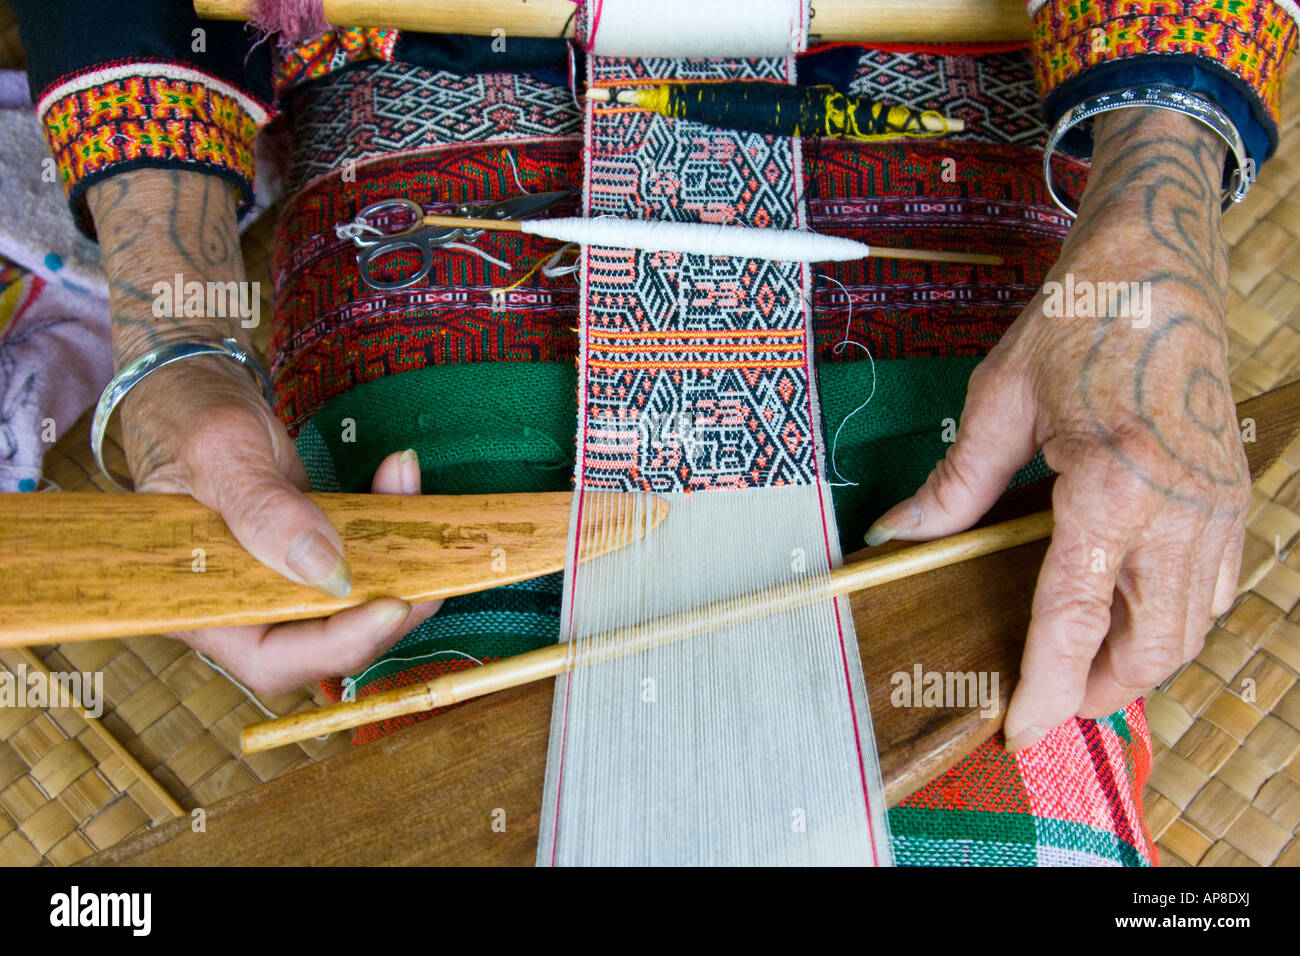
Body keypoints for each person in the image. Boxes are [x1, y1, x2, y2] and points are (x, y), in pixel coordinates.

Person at [11, 0, 1296, 865]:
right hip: (447, 190)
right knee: (458, 798)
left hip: (938, 148)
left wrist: (1153, 210)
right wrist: (175, 342)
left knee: (1015, 716)